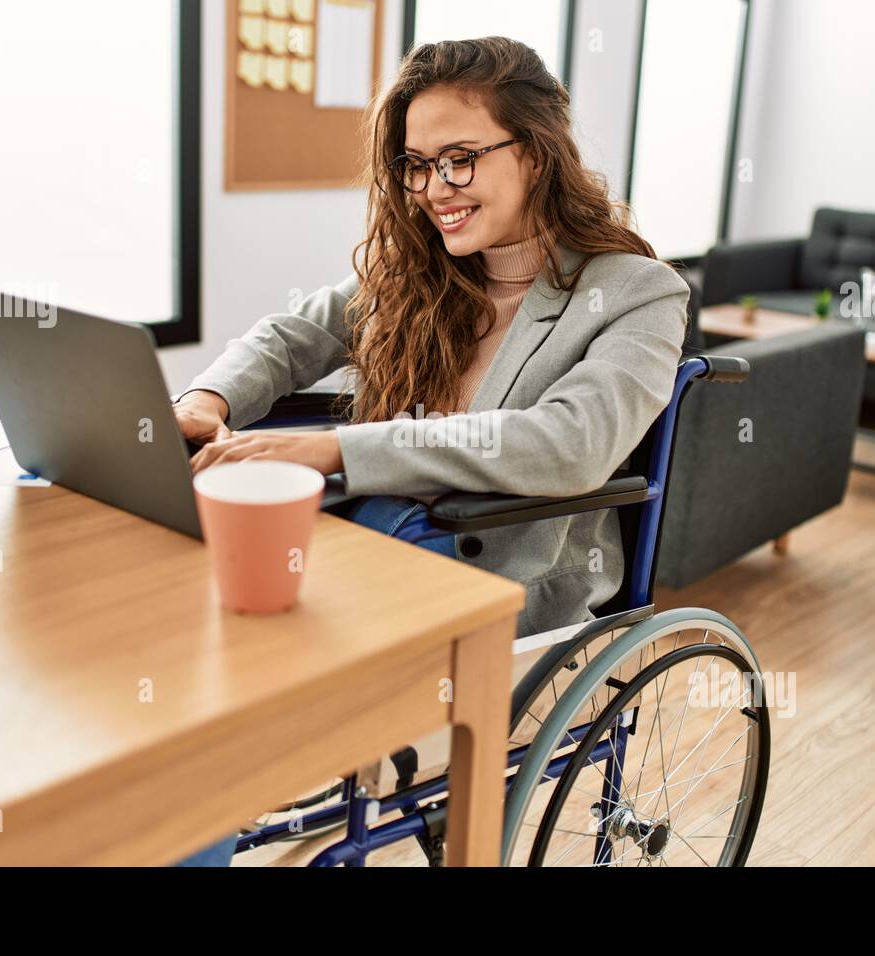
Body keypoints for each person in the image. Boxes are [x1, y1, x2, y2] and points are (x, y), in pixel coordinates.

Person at [172, 36, 687, 865]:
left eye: (460, 160)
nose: (433, 191)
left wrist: (332, 450)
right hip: (367, 547)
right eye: (416, 165)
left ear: (539, 150)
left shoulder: (637, 294)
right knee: (177, 683)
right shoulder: (418, 269)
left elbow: (570, 444)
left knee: (203, 741)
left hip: (494, 577)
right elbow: (291, 333)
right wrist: (206, 400)